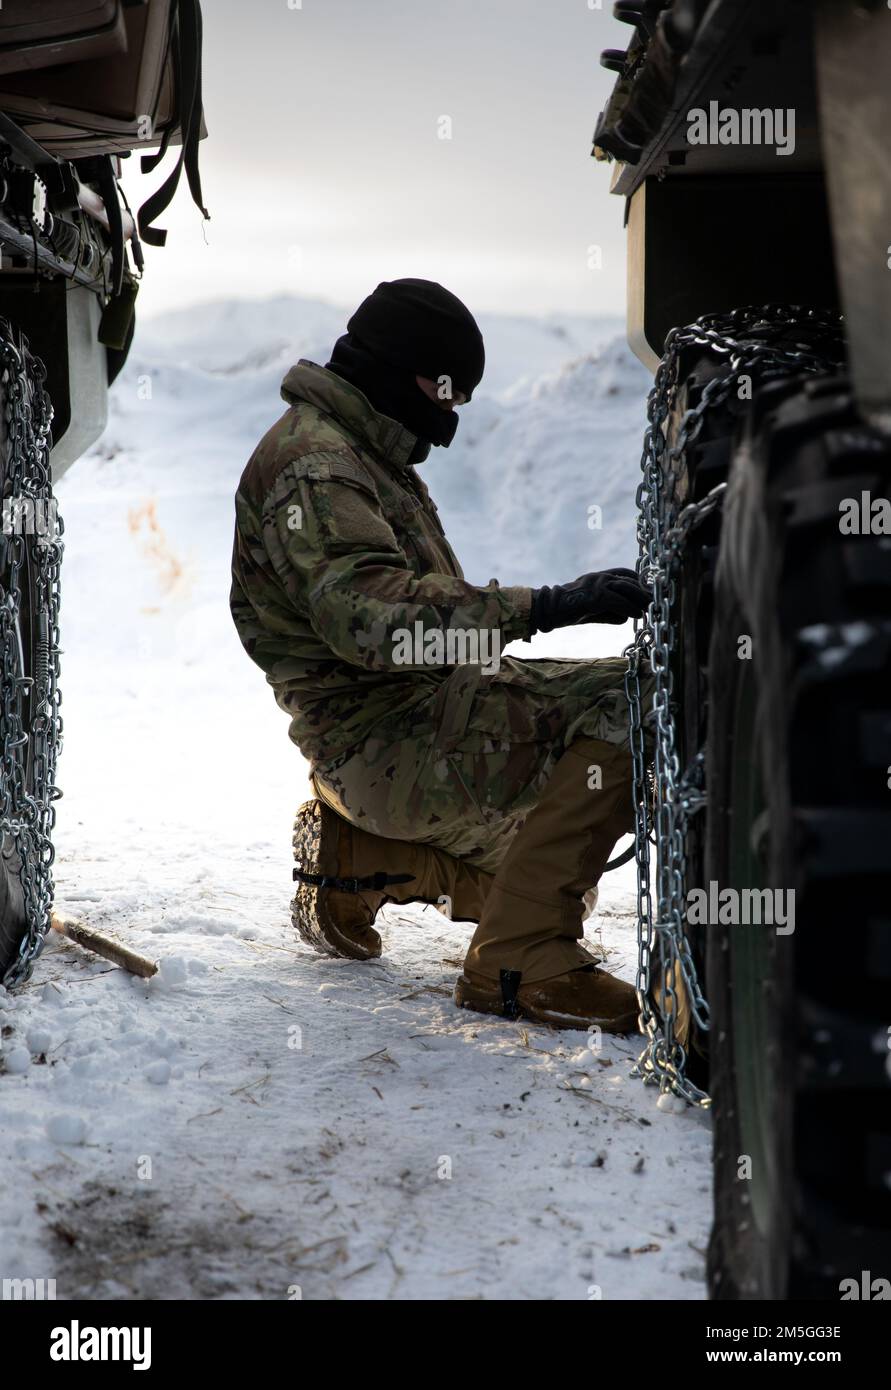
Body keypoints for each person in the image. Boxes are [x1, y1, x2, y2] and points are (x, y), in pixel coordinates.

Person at [230, 278, 651, 1030]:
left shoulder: (361, 448)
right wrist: (548, 607)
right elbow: (378, 625)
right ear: (402, 368)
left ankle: (357, 861)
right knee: (636, 707)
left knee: (554, 880)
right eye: (447, 391)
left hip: (403, 731)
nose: (450, 413)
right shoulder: (318, 468)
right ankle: (518, 966)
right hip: (393, 739)